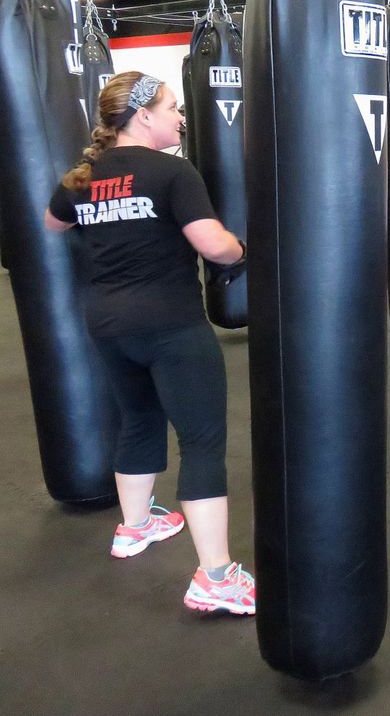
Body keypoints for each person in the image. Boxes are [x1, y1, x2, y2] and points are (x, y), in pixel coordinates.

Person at [43, 71, 256, 612]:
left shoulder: (83, 177)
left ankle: (136, 527)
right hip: (170, 326)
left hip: (108, 325)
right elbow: (214, 246)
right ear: (143, 116)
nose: (181, 117)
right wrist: (241, 249)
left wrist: (105, 217)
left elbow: (52, 223)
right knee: (201, 441)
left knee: (138, 419)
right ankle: (216, 578)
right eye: (173, 108)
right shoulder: (171, 171)